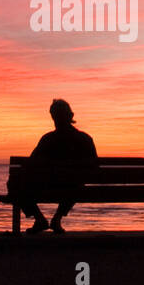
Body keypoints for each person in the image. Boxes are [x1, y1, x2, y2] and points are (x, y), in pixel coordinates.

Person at [22, 99, 98, 233]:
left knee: (15, 184)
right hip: (73, 188)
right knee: (76, 184)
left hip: (49, 186)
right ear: (71, 116)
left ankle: (39, 219)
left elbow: (30, 164)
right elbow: (94, 169)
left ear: (53, 117)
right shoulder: (85, 139)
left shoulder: (48, 139)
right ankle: (56, 219)